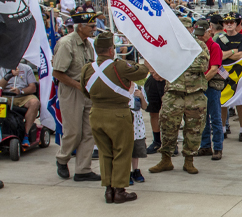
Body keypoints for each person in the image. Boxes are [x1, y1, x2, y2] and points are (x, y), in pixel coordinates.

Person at [81, 33, 149, 203]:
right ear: (111, 50)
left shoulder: (87, 69)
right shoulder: (120, 66)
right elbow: (142, 72)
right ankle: (119, 189)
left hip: (96, 114)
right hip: (118, 114)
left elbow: (84, 91)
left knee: (105, 152)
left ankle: (108, 189)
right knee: (121, 151)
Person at [148, 21, 209, 175]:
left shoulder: (199, 45)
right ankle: (166, 159)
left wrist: (176, 62)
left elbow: (202, 65)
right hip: (173, 93)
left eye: (186, 28)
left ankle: (189, 160)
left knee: (194, 129)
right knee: (168, 127)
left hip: (194, 94)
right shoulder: (167, 45)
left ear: (191, 29)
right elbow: (159, 63)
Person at [51, 11, 99, 182]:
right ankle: (62, 159)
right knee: (73, 131)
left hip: (87, 91)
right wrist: (78, 85)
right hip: (71, 91)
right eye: (92, 26)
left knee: (89, 131)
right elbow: (57, 72)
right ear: (81, 26)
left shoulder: (88, 44)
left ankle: (83, 169)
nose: (95, 29)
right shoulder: (66, 44)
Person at [215, 14, 242, 141]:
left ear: (236, 24)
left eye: (232, 22)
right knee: (223, 102)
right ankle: (223, 129)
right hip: (223, 72)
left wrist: (227, 54)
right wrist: (233, 51)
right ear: (223, 25)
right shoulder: (219, 38)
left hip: (238, 72)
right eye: (226, 22)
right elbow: (219, 55)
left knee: (240, 102)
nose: (229, 24)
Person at [194, 21, 225, 161]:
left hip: (211, 86)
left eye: (202, 34)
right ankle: (205, 146)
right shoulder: (197, 47)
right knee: (203, 118)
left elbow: (214, 69)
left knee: (215, 118)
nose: (200, 37)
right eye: (198, 35)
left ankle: (218, 147)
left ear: (209, 31)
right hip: (202, 86)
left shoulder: (214, 47)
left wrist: (200, 82)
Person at [0, 60, 40, 151]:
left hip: (23, 96)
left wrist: (20, 91)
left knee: (34, 102)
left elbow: (33, 88)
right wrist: (9, 75)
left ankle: (25, 134)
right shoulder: (1, 69)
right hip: (6, 96)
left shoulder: (26, 68)